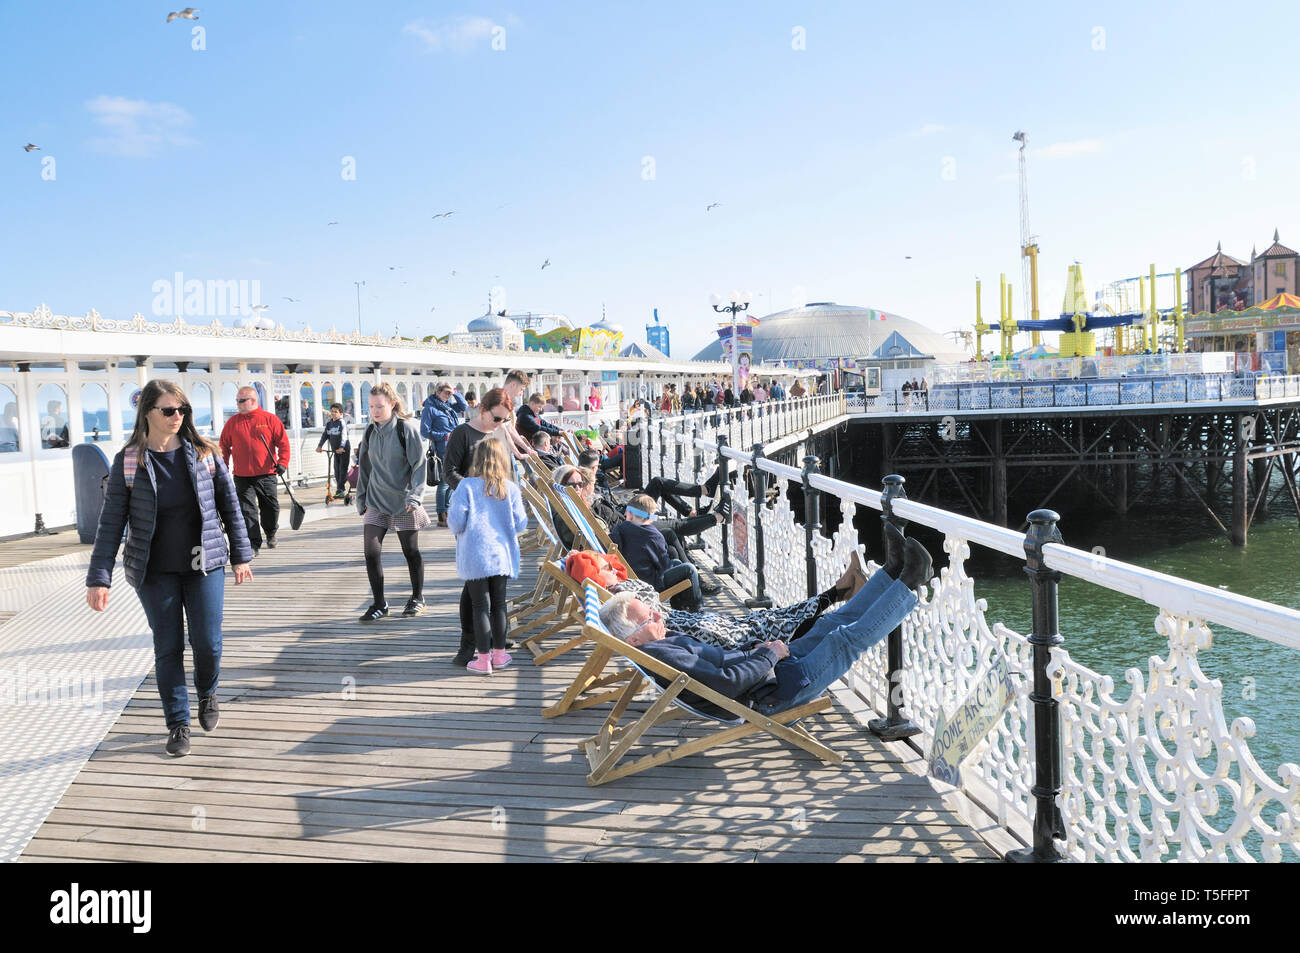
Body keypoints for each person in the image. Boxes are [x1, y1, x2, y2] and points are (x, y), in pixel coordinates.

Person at [86, 379, 254, 757]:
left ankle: (208, 693)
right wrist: (99, 578)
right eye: (168, 410)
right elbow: (111, 522)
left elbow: (230, 506)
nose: (177, 416)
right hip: (154, 570)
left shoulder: (204, 453)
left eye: (182, 410)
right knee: (168, 647)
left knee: (208, 642)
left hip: (204, 564)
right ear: (147, 413)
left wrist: (241, 554)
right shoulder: (130, 460)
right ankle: (178, 723)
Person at [599, 532, 932, 716]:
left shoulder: (659, 644)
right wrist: (768, 655)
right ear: (633, 641)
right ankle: (910, 582)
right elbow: (727, 683)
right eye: (649, 617)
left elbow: (723, 666)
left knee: (828, 624)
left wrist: (754, 651)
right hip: (773, 692)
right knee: (842, 641)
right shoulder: (664, 653)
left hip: (767, 673)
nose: (659, 615)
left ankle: (891, 572)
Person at [448, 439, 530, 674]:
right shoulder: (510, 488)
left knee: (479, 606)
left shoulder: (466, 487)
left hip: (475, 554)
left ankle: (483, 660)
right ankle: (500, 654)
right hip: (501, 554)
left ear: (477, 459)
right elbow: (521, 523)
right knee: (499, 606)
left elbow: (456, 522)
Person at [443, 387, 512, 664]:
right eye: (496, 418)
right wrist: (475, 491)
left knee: (485, 588)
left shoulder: (499, 433)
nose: (500, 424)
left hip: (496, 519)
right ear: (483, 409)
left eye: (504, 420)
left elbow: (507, 472)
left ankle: (492, 642)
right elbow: (448, 472)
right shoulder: (463, 433)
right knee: (473, 585)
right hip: (471, 515)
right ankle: (468, 644)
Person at [355, 382, 427, 622]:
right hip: (376, 499)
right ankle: (379, 603)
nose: (374, 411)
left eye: (379, 406)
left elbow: (419, 465)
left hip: (404, 500)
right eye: (371, 407)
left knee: (411, 551)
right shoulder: (369, 431)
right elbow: (364, 467)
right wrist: (361, 497)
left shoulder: (405, 429)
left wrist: (415, 495)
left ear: (392, 404)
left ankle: (417, 598)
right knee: (371, 551)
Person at [219, 386, 290, 553]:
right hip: (242, 476)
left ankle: (271, 532)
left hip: (267, 473)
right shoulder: (232, 422)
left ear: (253, 401)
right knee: (247, 510)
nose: (238, 404)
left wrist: (283, 463)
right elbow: (223, 447)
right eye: (237, 400)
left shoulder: (269, 419)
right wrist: (223, 468)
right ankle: (253, 543)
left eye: (241, 401)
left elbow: (283, 444)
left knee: (271, 507)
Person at [611, 494, 702, 611]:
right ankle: (696, 609)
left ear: (631, 514)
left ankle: (680, 606)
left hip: (629, 578)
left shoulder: (620, 528)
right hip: (649, 582)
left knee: (677, 562)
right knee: (689, 569)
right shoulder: (654, 536)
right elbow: (665, 567)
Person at [419, 381, 468, 528]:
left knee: (452, 481)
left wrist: (455, 392)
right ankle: (441, 515)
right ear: (437, 392)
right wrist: (445, 436)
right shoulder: (430, 408)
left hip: (454, 447)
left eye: (449, 393)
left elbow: (463, 406)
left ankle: (447, 511)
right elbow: (424, 431)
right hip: (442, 449)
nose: (448, 395)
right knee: (444, 482)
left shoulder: (447, 406)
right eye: (445, 393)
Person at [316, 402, 351, 500]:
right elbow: (325, 435)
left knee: (342, 469)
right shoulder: (329, 423)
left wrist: (341, 447)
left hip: (343, 449)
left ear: (340, 413)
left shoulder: (341, 422)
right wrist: (319, 446)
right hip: (335, 450)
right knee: (336, 470)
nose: (333, 413)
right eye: (332, 411)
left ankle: (340, 490)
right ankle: (340, 489)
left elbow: (344, 435)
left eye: (336, 412)